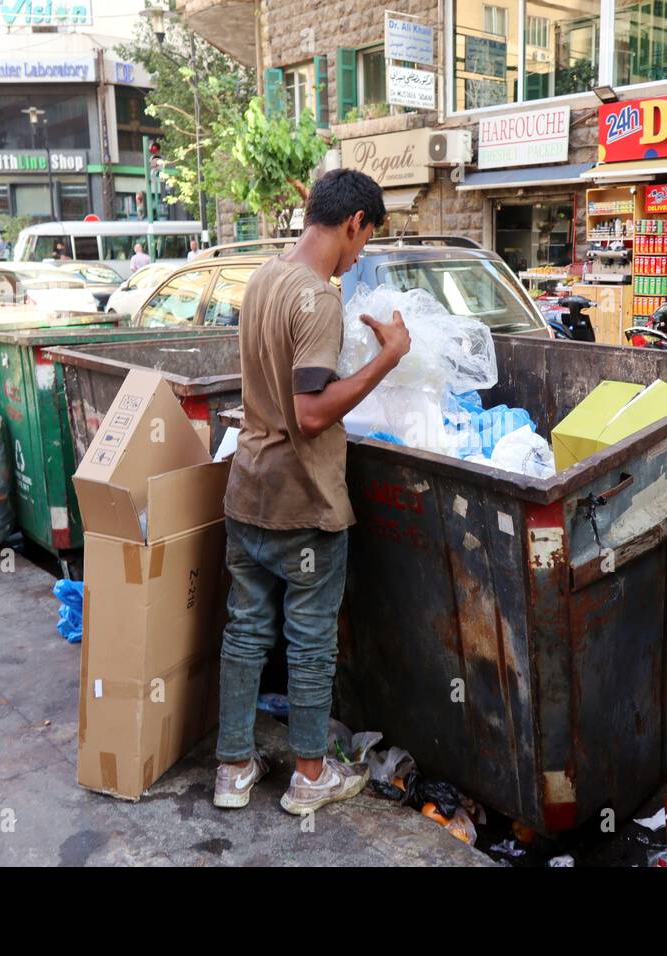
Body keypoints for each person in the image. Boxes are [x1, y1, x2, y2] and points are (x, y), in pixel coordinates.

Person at [214, 168, 409, 814]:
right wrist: (388, 357)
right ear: (353, 223)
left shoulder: (265, 277)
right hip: (303, 502)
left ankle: (234, 769)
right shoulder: (318, 299)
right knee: (310, 641)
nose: (359, 258)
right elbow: (313, 413)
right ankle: (308, 776)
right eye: (364, 243)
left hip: (248, 490)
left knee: (245, 631)